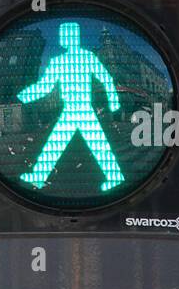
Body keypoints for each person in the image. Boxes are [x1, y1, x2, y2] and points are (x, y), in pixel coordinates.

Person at [17, 21, 124, 192]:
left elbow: (105, 78)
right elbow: (45, 86)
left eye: (66, 35)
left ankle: (115, 177)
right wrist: (25, 95)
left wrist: (113, 100)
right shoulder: (62, 60)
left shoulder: (85, 57)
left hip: (82, 109)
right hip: (72, 110)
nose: (64, 38)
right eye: (62, 35)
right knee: (57, 144)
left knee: (90, 144)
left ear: (73, 37)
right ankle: (38, 177)